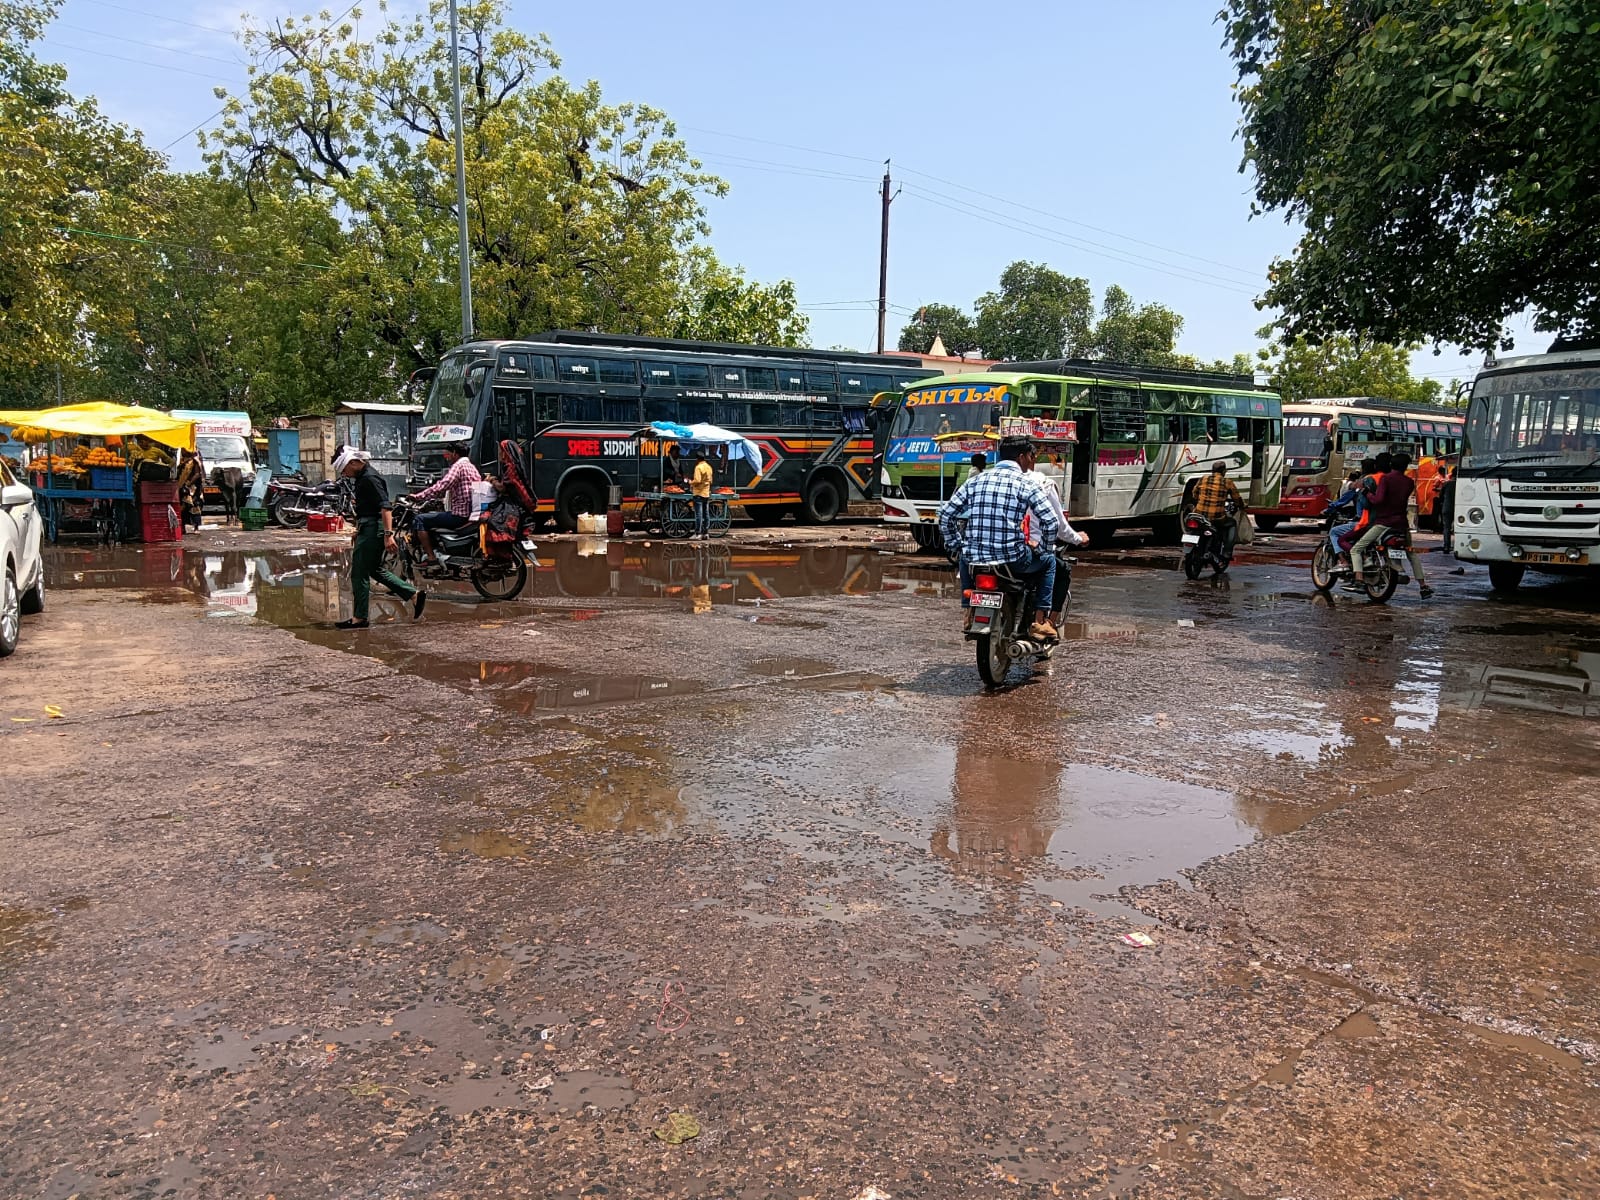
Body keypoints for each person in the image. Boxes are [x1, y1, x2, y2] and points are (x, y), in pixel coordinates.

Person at [939, 435, 1061, 640]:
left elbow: (945, 515)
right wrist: (1042, 548)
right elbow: (1052, 522)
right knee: (1049, 562)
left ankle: (968, 610)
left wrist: (957, 544)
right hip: (1013, 559)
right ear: (1021, 457)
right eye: (1031, 456)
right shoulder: (1026, 484)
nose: (1032, 462)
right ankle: (1040, 622)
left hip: (975, 559)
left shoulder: (975, 481)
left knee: (964, 555)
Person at [334, 445, 425, 629]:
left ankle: (359, 618)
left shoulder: (370, 478)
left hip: (373, 529)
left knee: (359, 572)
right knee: (374, 569)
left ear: (353, 463)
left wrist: (388, 535)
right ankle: (413, 594)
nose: (344, 474)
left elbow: (385, 507)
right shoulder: (362, 478)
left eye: (344, 469)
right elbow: (367, 509)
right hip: (368, 527)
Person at [1351, 451, 1432, 598]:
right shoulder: (1409, 482)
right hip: (1402, 525)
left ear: (1391, 465)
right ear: (1406, 466)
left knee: (1356, 549)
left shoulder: (1386, 479)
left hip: (1384, 523)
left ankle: (1359, 580)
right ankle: (1423, 586)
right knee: (1411, 554)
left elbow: (1378, 500)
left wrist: (1367, 493)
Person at [1023, 448, 1090, 627]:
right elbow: (1056, 525)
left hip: (986, 555)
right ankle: (1044, 623)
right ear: (1027, 458)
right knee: (1053, 565)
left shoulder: (983, 480)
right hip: (1022, 551)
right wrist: (1077, 539)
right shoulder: (1042, 483)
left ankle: (968, 612)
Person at [408, 442, 481, 563]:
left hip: (459, 515)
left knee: (420, 519)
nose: (447, 456)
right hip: (470, 513)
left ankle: (431, 557)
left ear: (455, 453)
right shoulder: (472, 468)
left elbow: (443, 485)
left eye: (449, 453)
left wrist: (419, 496)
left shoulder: (458, 466)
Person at [1187, 461, 1246, 567]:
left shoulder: (1203, 479)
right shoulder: (1227, 482)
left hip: (1199, 515)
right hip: (1216, 518)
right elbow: (1237, 498)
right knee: (1232, 523)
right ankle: (1227, 552)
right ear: (1224, 471)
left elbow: (1194, 494)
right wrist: (1241, 506)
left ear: (1212, 470)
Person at [1329, 457, 1379, 559]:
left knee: (1334, 532)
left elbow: (1346, 499)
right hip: (1382, 521)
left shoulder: (1363, 483)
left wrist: (1329, 509)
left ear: (1363, 469)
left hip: (1364, 522)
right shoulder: (1382, 479)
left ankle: (1343, 561)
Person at [177, 448, 206, 532]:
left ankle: (196, 527)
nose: (182, 451)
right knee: (183, 507)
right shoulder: (182, 461)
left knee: (194, 506)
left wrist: (188, 483)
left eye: (184, 450)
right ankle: (183, 527)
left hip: (193, 488)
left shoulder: (195, 461)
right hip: (182, 487)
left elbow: (197, 474)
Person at [691, 448, 714, 540]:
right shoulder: (709, 467)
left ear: (697, 459)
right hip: (706, 493)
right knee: (706, 514)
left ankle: (698, 533)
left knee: (698, 515)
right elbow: (711, 480)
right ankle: (706, 533)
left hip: (698, 493)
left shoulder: (698, 467)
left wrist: (690, 482)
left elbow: (697, 480)